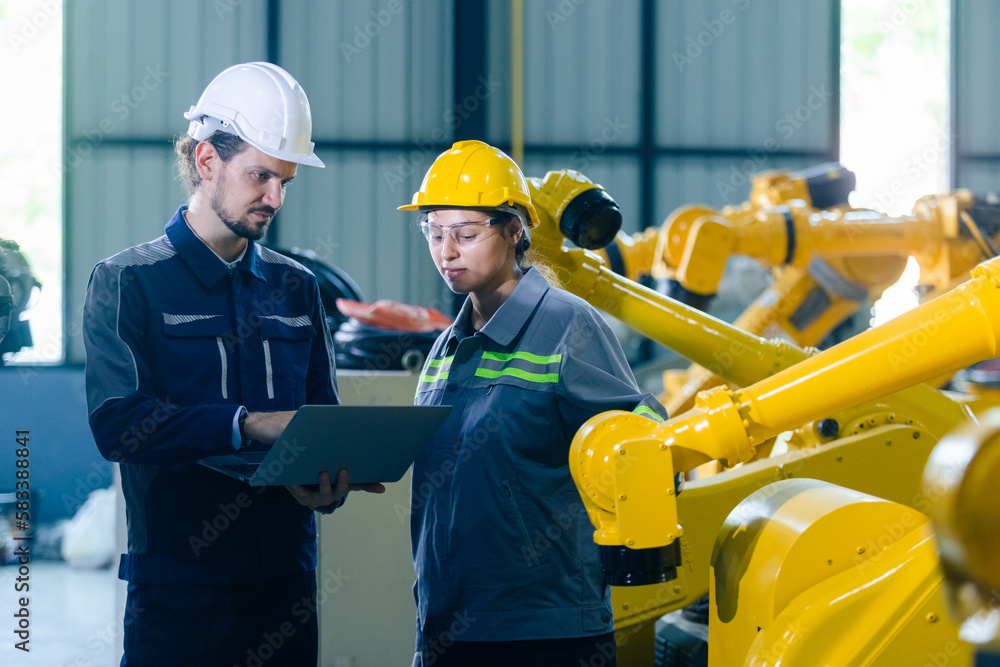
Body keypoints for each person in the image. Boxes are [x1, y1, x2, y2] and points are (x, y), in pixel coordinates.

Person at [83, 62, 382, 666]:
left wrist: (326, 484)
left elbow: (319, 417)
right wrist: (246, 423)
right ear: (205, 161)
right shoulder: (127, 282)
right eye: (260, 176)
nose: (274, 198)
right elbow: (118, 424)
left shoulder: (297, 288)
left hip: (285, 589)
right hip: (177, 593)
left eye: (285, 182)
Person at [398, 140, 668, 666]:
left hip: (544, 632)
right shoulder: (445, 347)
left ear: (515, 229)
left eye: (466, 233)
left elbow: (643, 445)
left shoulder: (568, 326)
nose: (446, 251)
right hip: (447, 623)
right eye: (434, 232)